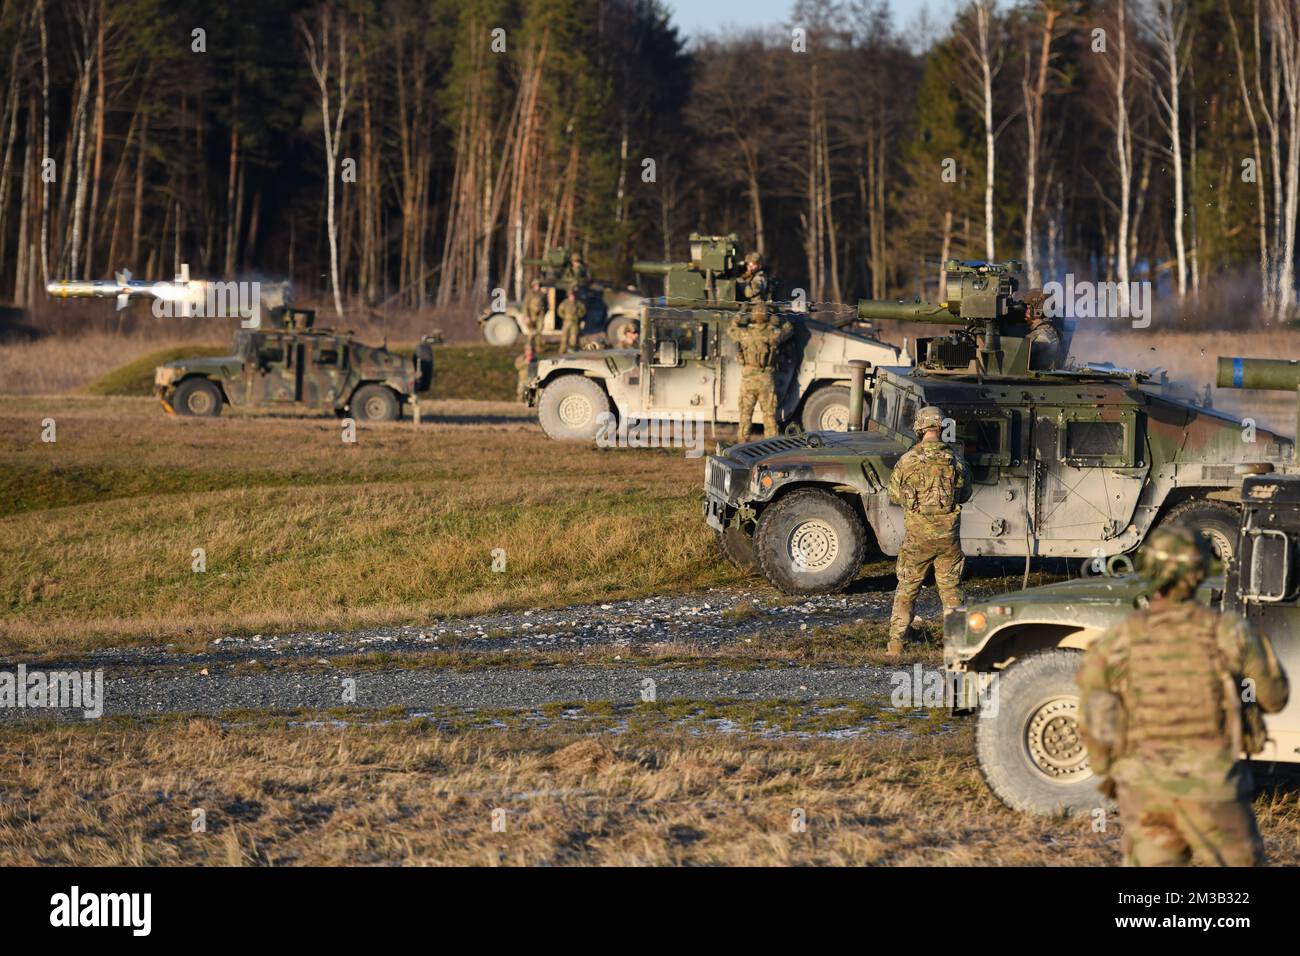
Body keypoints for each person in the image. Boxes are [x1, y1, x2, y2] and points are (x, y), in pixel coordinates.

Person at [1076, 523, 1290, 867]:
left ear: (1150, 570)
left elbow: (1095, 711)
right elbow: (1275, 697)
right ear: (1200, 572)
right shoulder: (1230, 631)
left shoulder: (1119, 637)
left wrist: (1107, 766)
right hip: (1214, 789)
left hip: (1146, 791)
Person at [886, 406, 972, 656]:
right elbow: (965, 494)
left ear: (920, 428)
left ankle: (896, 644)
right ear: (942, 428)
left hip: (917, 539)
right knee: (951, 589)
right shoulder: (956, 461)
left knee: (907, 588)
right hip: (948, 539)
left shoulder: (907, 461)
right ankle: (957, 645)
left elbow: (893, 495)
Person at [727, 301, 791, 439]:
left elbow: (731, 329)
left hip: (748, 379)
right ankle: (771, 447)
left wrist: (741, 311)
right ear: (767, 317)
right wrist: (779, 312)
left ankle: (742, 446)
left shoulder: (745, 334)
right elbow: (789, 329)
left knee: (745, 415)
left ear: (753, 316)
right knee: (769, 415)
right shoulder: (773, 334)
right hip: (766, 379)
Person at [1021, 288, 1061, 370]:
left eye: (1028, 308)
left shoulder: (1040, 335)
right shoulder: (1050, 329)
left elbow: (1017, 356)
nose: (1025, 311)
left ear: (1038, 312)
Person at [557, 286, 586, 352]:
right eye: (571, 296)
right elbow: (559, 310)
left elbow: (583, 309)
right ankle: (562, 350)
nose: (572, 297)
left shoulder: (577, 302)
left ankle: (571, 350)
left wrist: (579, 315)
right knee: (564, 336)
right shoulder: (565, 302)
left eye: (573, 296)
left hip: (574, 322)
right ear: (569, 296)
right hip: (566, 321)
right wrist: (563, 316)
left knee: (573, 337)